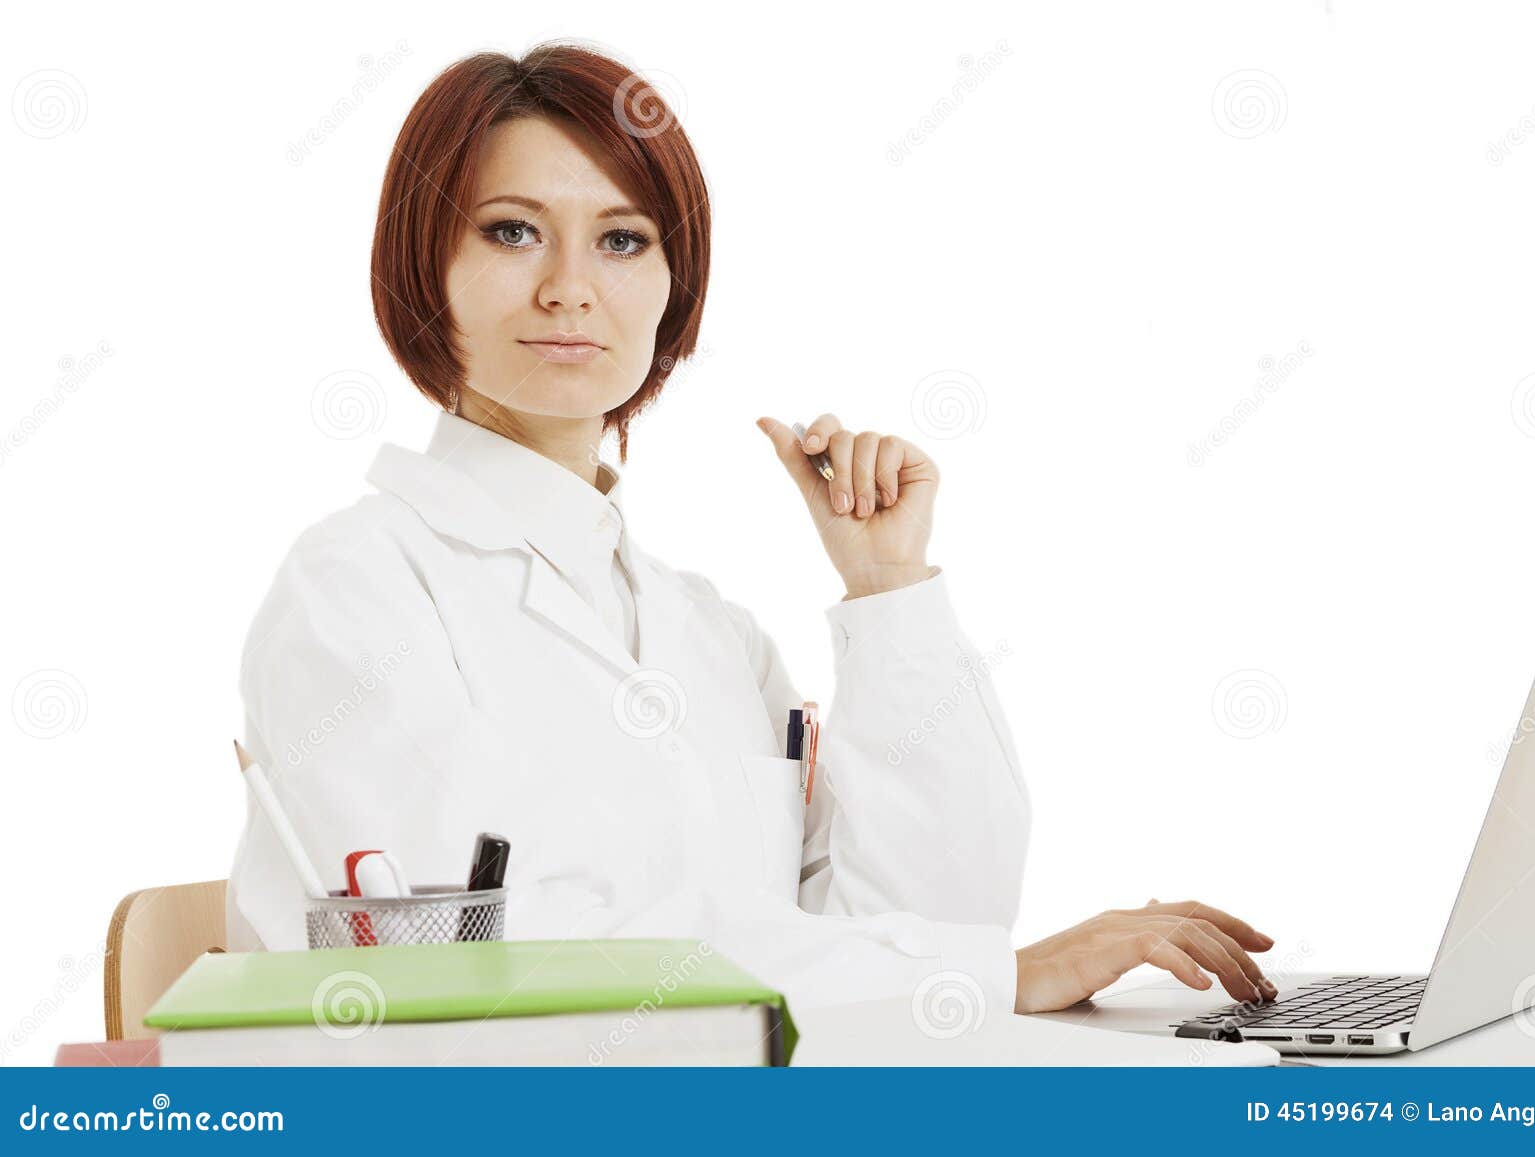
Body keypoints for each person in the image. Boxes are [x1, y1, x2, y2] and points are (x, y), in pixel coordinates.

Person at [227, 41, 1278, 1018]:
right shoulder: (353, 585)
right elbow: (506, 965)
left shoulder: (707, 632)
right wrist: (992, 974)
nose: (569, 288)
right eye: (511, 230)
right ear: (424, 268)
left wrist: (890, 593)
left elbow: (932, 929)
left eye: (623, 239)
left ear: (672, 289)